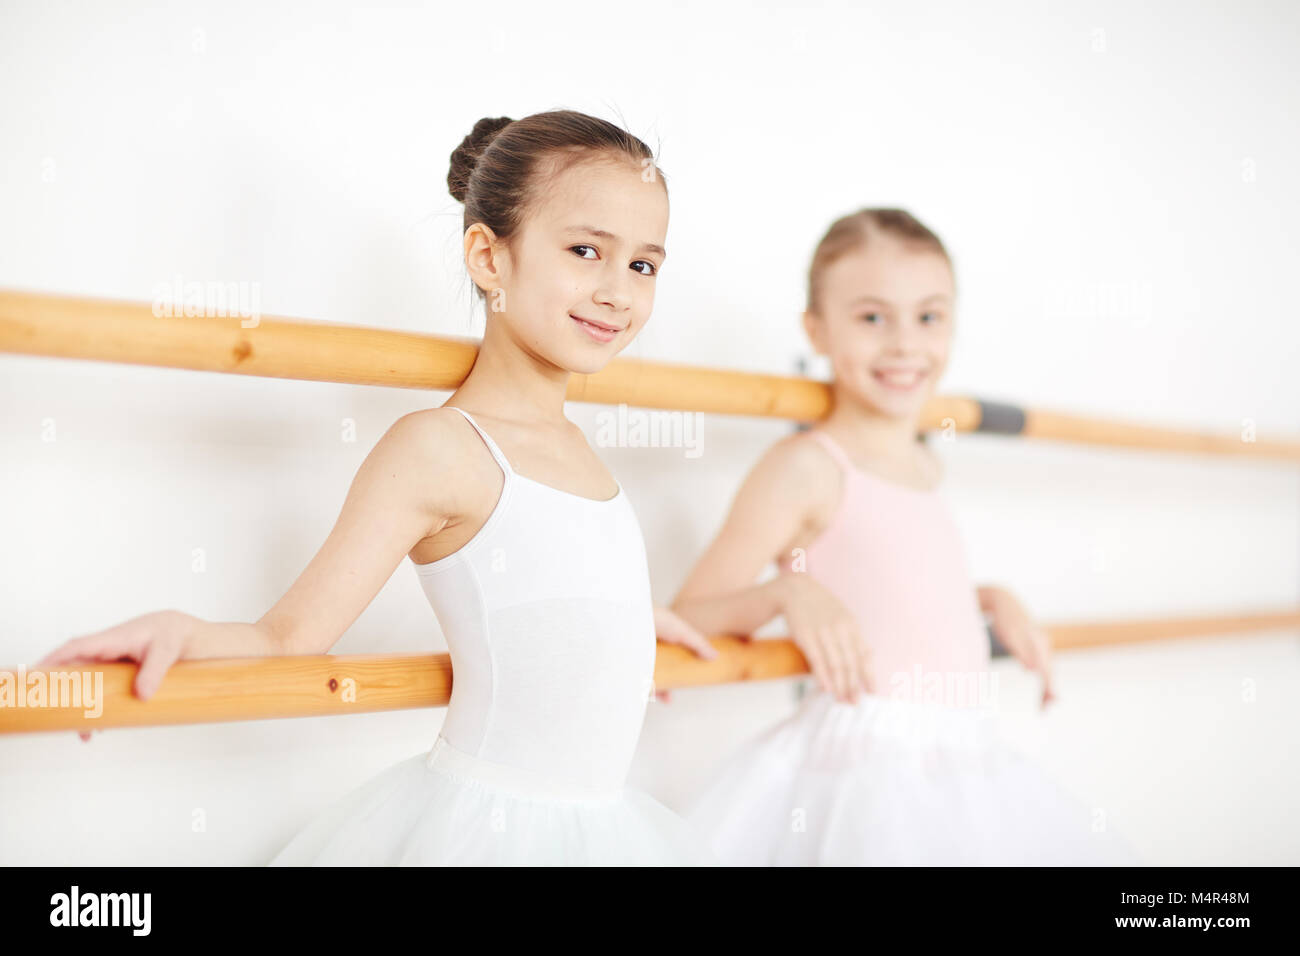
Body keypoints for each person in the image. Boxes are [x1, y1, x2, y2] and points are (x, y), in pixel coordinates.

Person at [36, 109, 719, 866]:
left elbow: (537, 574)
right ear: (489, 259)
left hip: (604, 829)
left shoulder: (581, 452)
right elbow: (288, 637)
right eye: (585, 250)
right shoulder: (439, 448)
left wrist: (616, 617)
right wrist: (183, 633)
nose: (617, 291)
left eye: (643, 265)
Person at [669, 208, 1139, 865]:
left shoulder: (924, 461)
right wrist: (788, 593)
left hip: (964, 755)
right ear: (817, 329)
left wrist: (986, 596)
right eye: (871, 318)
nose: (904, 345)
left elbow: (892, 582)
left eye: (928, 316)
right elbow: (684, 616)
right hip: (871, 766)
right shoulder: (806, 467)